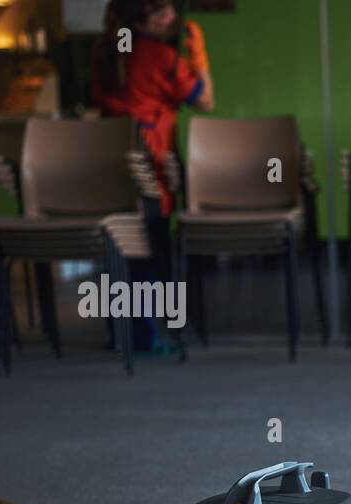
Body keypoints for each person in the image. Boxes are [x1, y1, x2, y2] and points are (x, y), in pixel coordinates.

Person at [90, 0, 214, 352]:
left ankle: (122, 334)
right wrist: (199, 58)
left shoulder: (104, 53)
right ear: (143, 21)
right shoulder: (160, 58)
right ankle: (145, 339)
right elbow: (205, 100)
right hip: (149, 170)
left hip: (109, 166)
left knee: (118, 248)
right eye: (164, 12)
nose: (173, 17)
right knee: (146, 251)